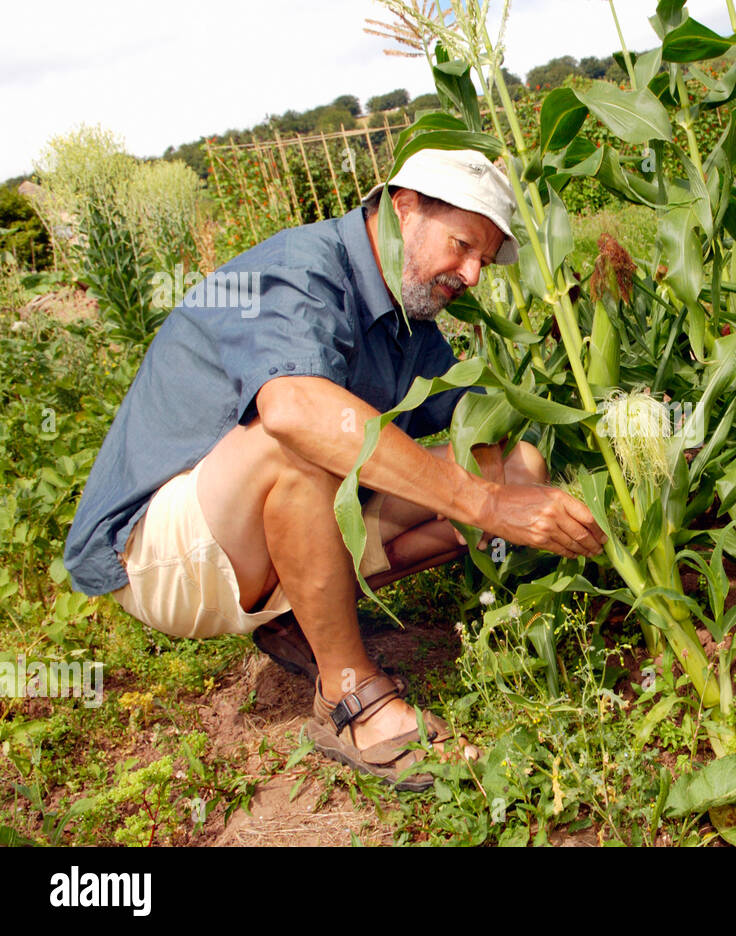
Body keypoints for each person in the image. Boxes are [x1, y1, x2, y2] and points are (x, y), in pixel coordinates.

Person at [62, 149, 606, 790]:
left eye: (483, 260)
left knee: (518, 466)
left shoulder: (411, 310)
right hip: (161, 554)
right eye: (463, 246)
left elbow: (473, 417)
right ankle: (350, 699)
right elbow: (293, 411)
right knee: (297, 438)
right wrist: (481, 507)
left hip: (250, 551)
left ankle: (301, 617)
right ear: (404, 209)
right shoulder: (301, 271)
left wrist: (512, 489)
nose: (473, 274)